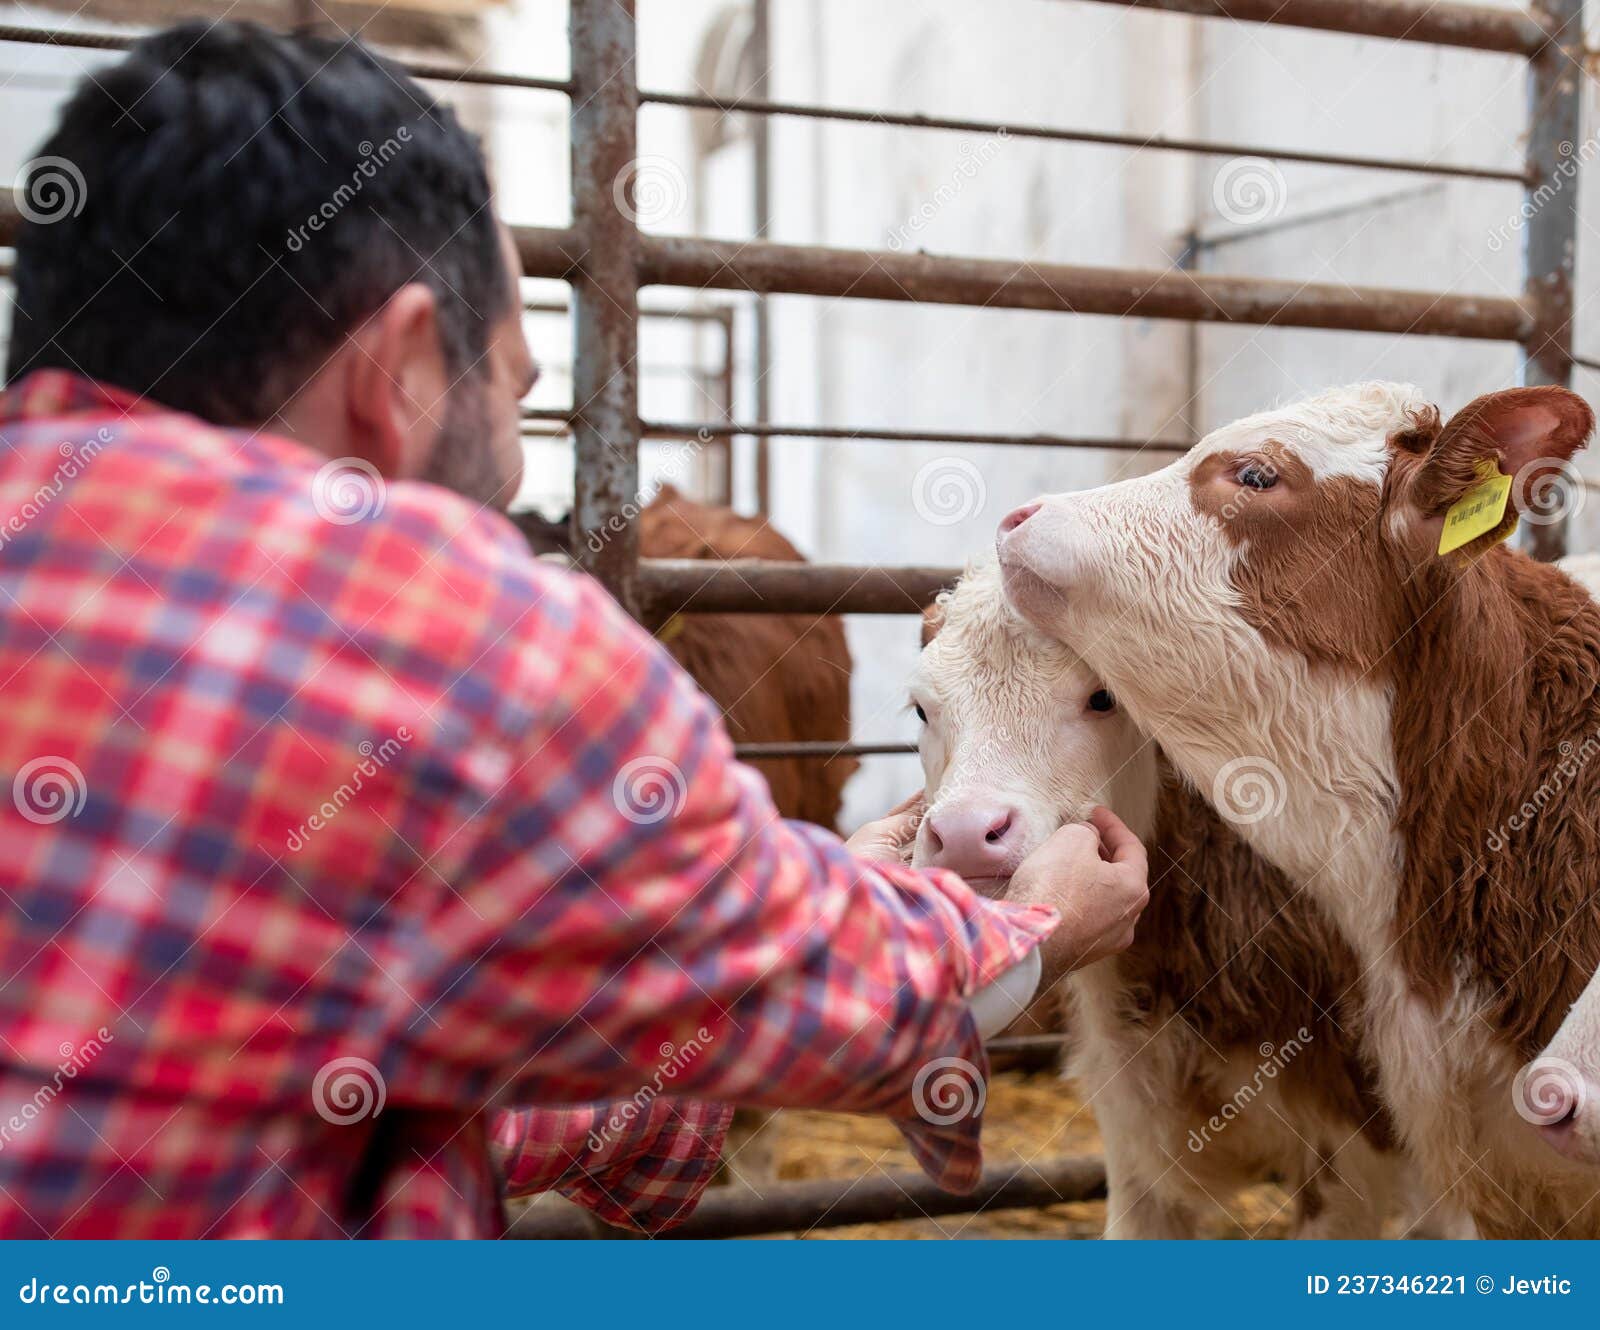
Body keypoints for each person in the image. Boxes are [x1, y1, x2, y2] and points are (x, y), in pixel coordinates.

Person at [0, 21, 1148, 1238]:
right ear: (394, 372)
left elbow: (285, 1079)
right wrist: (1035, 927)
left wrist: (799, 908)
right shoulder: (460, 632)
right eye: (514, 388)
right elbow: (796, 998)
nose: (504, 462)